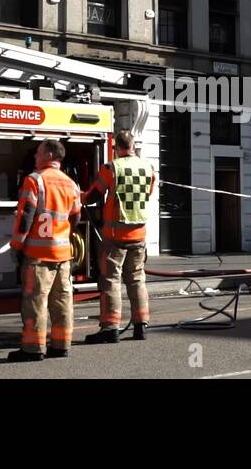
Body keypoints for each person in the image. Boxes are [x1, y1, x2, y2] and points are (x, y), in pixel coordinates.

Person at [8, 139, 81, 362]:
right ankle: (61, 346)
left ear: (49, 155)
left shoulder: (34, 180)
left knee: (36, 301)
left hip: (39, 256)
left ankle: (33, 348)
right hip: (63, 255)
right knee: (62, 301)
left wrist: (17, 245)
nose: (35, 156)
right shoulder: (71, 183)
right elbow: (75, 216)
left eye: (38, 153)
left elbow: (25, 217)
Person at [82, 130, 156, 344]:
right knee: (136, 279)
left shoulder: (111, 168)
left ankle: (110, 327)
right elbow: (148, 193)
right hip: (139, 233)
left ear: (116, 147)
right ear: (133, 146)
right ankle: (141, 325)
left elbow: (94, 195)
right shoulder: (148, 168)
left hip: (115, 235)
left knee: (111, 280)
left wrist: (80, 196)